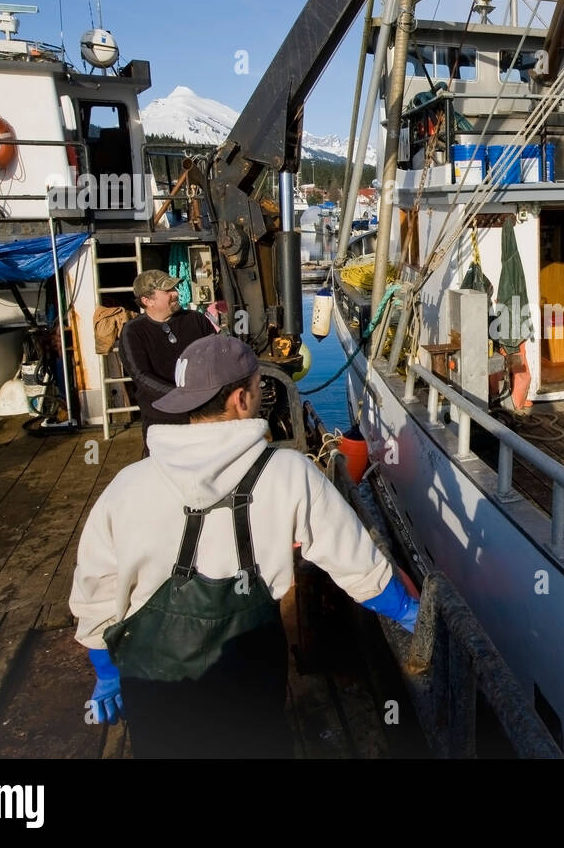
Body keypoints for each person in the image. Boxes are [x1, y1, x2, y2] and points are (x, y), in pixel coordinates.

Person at [69, 335, 419, 757]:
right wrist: (408, 612)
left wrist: (106, 670)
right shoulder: (289, 472)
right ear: (240, 398)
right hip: (248, 684)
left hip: (154, 689)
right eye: (259, 387)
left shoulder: (127, 484)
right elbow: (358, 567)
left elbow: (96, 590)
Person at [118, 269, 216, 452]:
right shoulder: (133, 332)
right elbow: (141, 376)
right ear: (147, 301)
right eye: (167, 291)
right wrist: (182, 396)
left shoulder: (195, 319)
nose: (175, 293)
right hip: (162, 420)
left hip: (204, 415)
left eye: (174, 288)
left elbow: (216, 355)